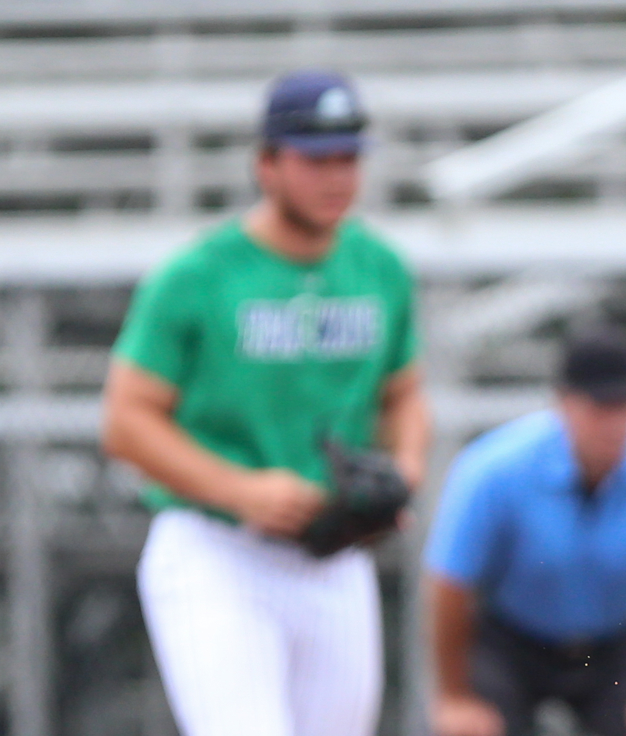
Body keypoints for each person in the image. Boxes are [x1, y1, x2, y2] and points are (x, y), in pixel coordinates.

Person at [102, 69, 431, 736]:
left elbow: (404, 395)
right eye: (315, 159)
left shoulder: (379, 268)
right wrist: (238, 489)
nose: (336, 176)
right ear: (266, 163)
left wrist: (405, 470)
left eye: (348, 157)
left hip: (332, 555)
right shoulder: (199, 274)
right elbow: (125, 420)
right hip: (216, 547)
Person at [425, 325, 626, 736]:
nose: (612, 423)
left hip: (614, 646)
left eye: (625, 407)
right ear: (563, 404)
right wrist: (454, 696)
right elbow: (450, 583)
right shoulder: (493, 470)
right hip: (511, 642)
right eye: (597, 407)